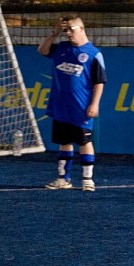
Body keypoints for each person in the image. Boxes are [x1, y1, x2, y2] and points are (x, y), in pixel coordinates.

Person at [37, 15, 106, 192]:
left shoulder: (93, 54)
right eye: (65, 30)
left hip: (80, 106)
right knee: (64, 141)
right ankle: (63, 179)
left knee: (84, 141)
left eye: (71, 29)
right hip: (60, 104)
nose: (68, 33)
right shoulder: (62, 48)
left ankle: (87, 179)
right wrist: (54, 33)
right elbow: (42, 51)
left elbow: (99, 82)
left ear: (82, 29)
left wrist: (94, 104)